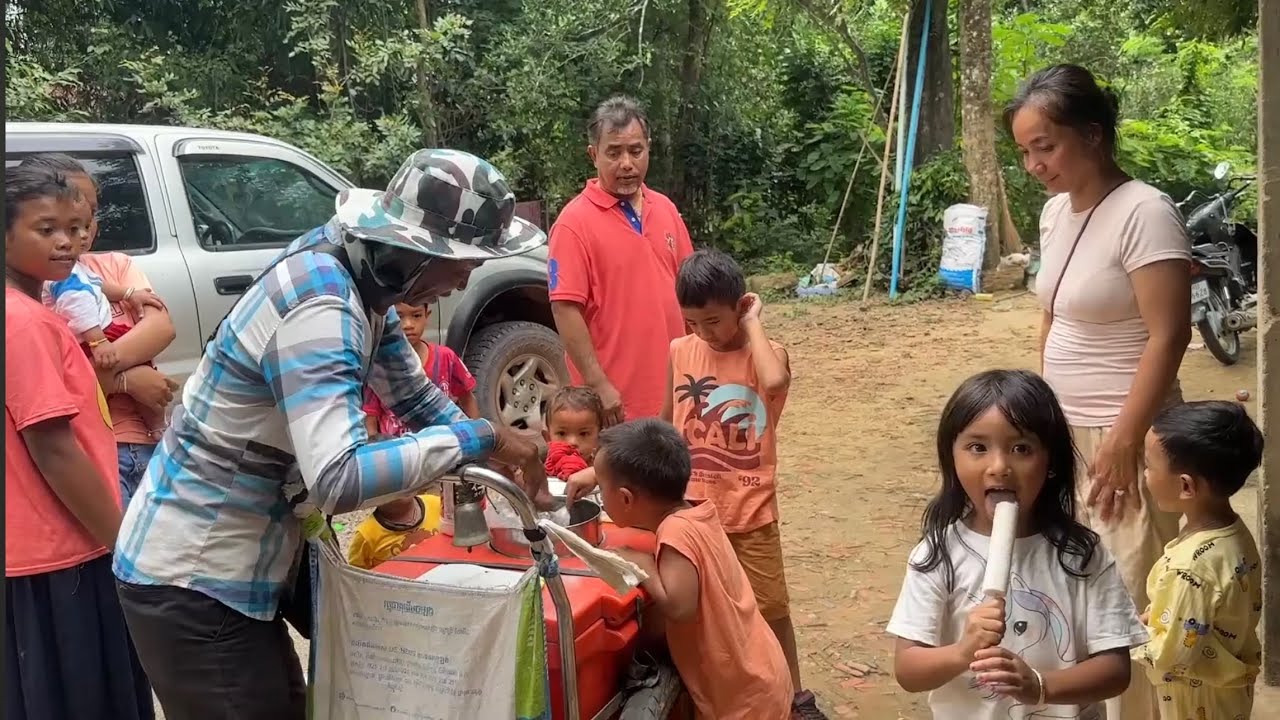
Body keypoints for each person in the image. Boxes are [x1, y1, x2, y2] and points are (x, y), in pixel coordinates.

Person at [112, 148, 552, 719]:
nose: (466, 277)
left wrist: (495, 447)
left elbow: (414, 397)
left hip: (250, 567)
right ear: (419, 250)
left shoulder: (368, 283)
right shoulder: (322, 301)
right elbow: (339, 478)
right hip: (195, 577)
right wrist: (480, 439)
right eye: (464, 261)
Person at [1007, 65, 1191, 717]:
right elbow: (1053, 316)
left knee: (1127, 604)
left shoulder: (1145, 212)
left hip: (1127, 437)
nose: (1033, 163)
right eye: (1025, 150)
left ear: (1093, 134)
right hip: (1066, 435)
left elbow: (1168, 337)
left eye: (1045, 146)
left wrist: (1125, 439)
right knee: (1069, 599)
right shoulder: (1057, 214)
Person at [887, 369, 1146, 719]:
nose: (999, 467)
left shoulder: (1083, 556)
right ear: (952, 457)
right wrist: (962, 651)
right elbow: (908, 669)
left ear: (1050, 461)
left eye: (1021, 448)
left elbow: (1115, 671)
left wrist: (1040, 686)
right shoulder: (938, 555)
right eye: (977, 447)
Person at [5, 160, 154, 720]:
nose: (66, 242)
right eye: (46, 229)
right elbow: (54, 446)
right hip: (62, 551)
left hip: (39, 550)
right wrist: (124, 543)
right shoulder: (27, 323)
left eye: (75, 226)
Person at [599, 419, 794, 720]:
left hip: (743, 698)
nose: (600, 496)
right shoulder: (697, 513)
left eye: (601, 488)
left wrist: (645, 564)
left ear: (626, 498)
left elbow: (680, 607)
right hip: (759, 670)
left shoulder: (676, 533)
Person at [22, 154, 180, 508]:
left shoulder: (114, 267)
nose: (86, 227)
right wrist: (127, 379)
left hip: (147, 442)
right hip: (93, 446)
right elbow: (52, 388)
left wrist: (108, 367)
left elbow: (160, 327)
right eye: (67, 218)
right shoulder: (37, 287)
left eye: (91, 214)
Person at [548, 95, 694, 425]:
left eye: (635, 150)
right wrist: (597, 382)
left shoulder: (666, 210)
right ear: (593, 155)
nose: (626, 163)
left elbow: (690, 291)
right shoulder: (574, 224)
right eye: (614, 152)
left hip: (678, 393)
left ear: (648, 149)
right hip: (616, 402)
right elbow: (565, 309)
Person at [1133, 401, 1263, 720]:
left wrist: (1129, 637)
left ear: (1186, 486)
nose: (1145, 474)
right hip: (1228, 690)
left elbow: (1169, 656)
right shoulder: (1234, 532)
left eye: (1149, 466)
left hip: (1194, 697)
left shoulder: (1190, 567)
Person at [362, 300, 480, 434]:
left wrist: (479, 439)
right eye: (399, 317)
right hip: (399, 449)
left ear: (427, 316)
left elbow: (467, 398)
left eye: (416, 316)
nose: (408, 325)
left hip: (441, 446)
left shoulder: (446, 357)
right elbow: (370, 417)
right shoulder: (380, 365)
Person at [542, 385, 606, 478]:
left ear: (599, 437)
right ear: (548, 438)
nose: (572, 442)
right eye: (562, 433)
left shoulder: (606, 471)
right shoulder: (540, 471)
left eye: (583, 434)